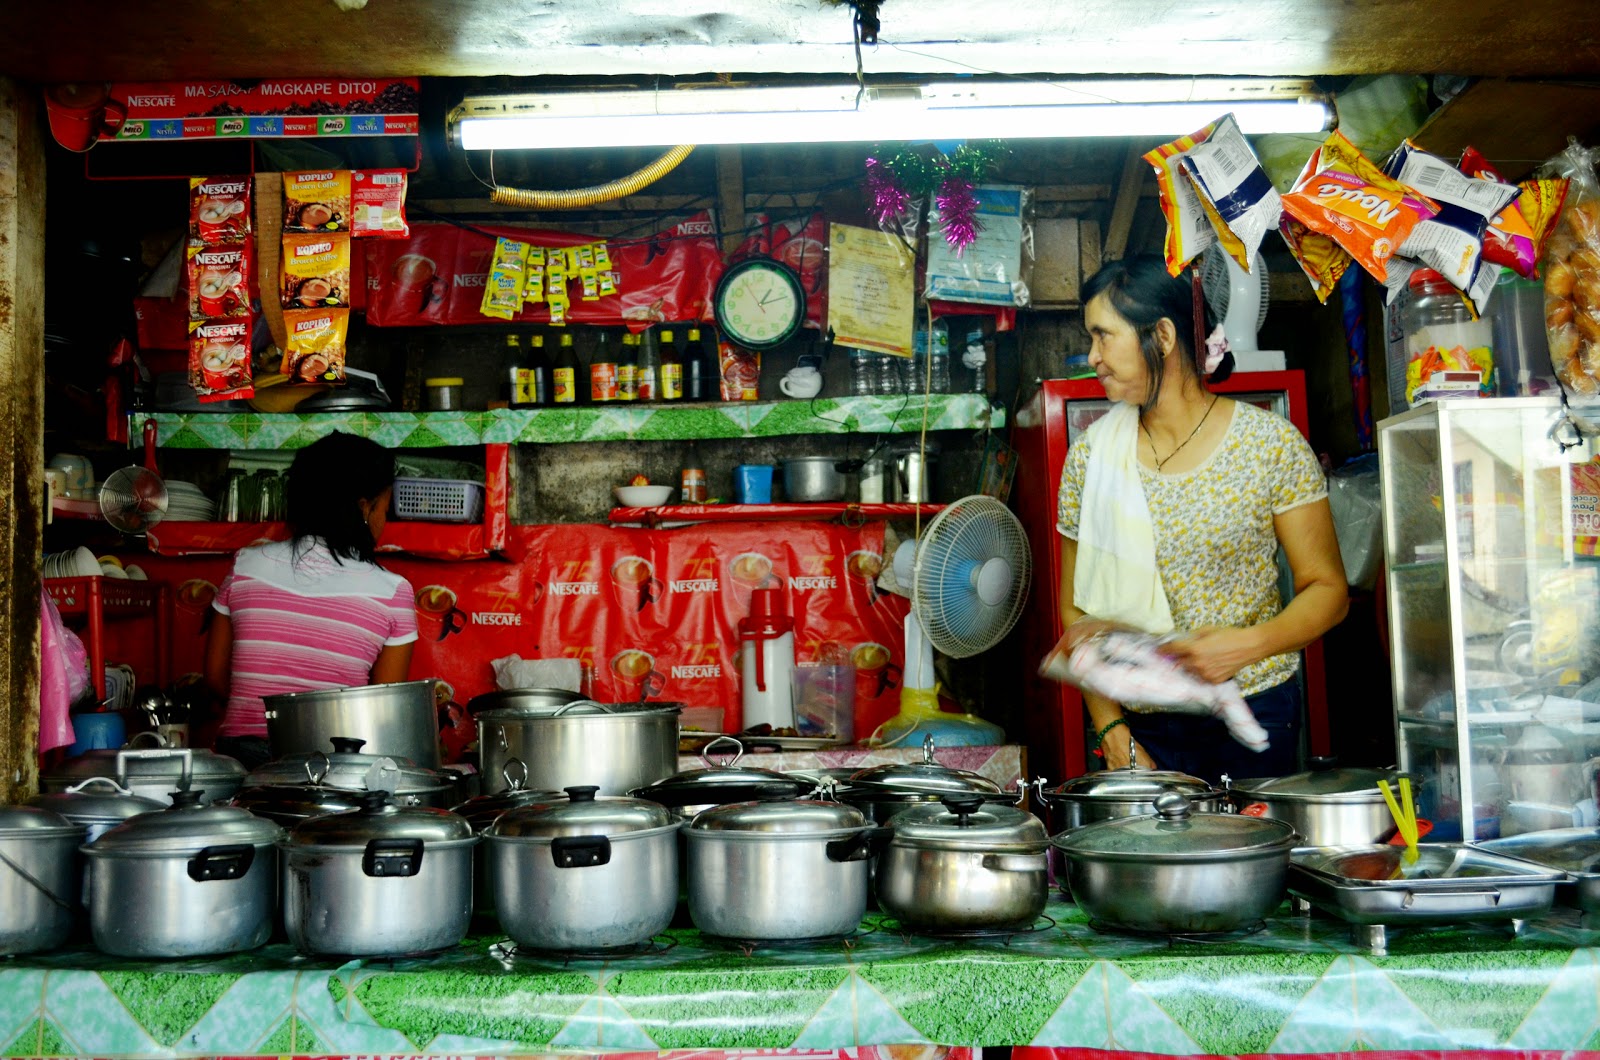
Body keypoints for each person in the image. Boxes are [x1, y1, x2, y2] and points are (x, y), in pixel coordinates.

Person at [1055, 256, 1348, 783]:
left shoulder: (1269, 445)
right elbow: (1076, 610)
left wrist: (1247, 644)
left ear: (1162, 336)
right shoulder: (1091, 458)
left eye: (1103, 336)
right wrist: (1111, 730)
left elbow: (1327, 589)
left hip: (1253, 713)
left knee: (1246, 861)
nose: (1093, 356)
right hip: (1142, 729)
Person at [204, 432, 418, 769]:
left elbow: (215, 677)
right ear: (365, 507)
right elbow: (381, 709)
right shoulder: (393, 592)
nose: (383, 520)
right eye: (385, 508)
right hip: (331, 764)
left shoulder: (246, 564)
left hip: (240, 759)